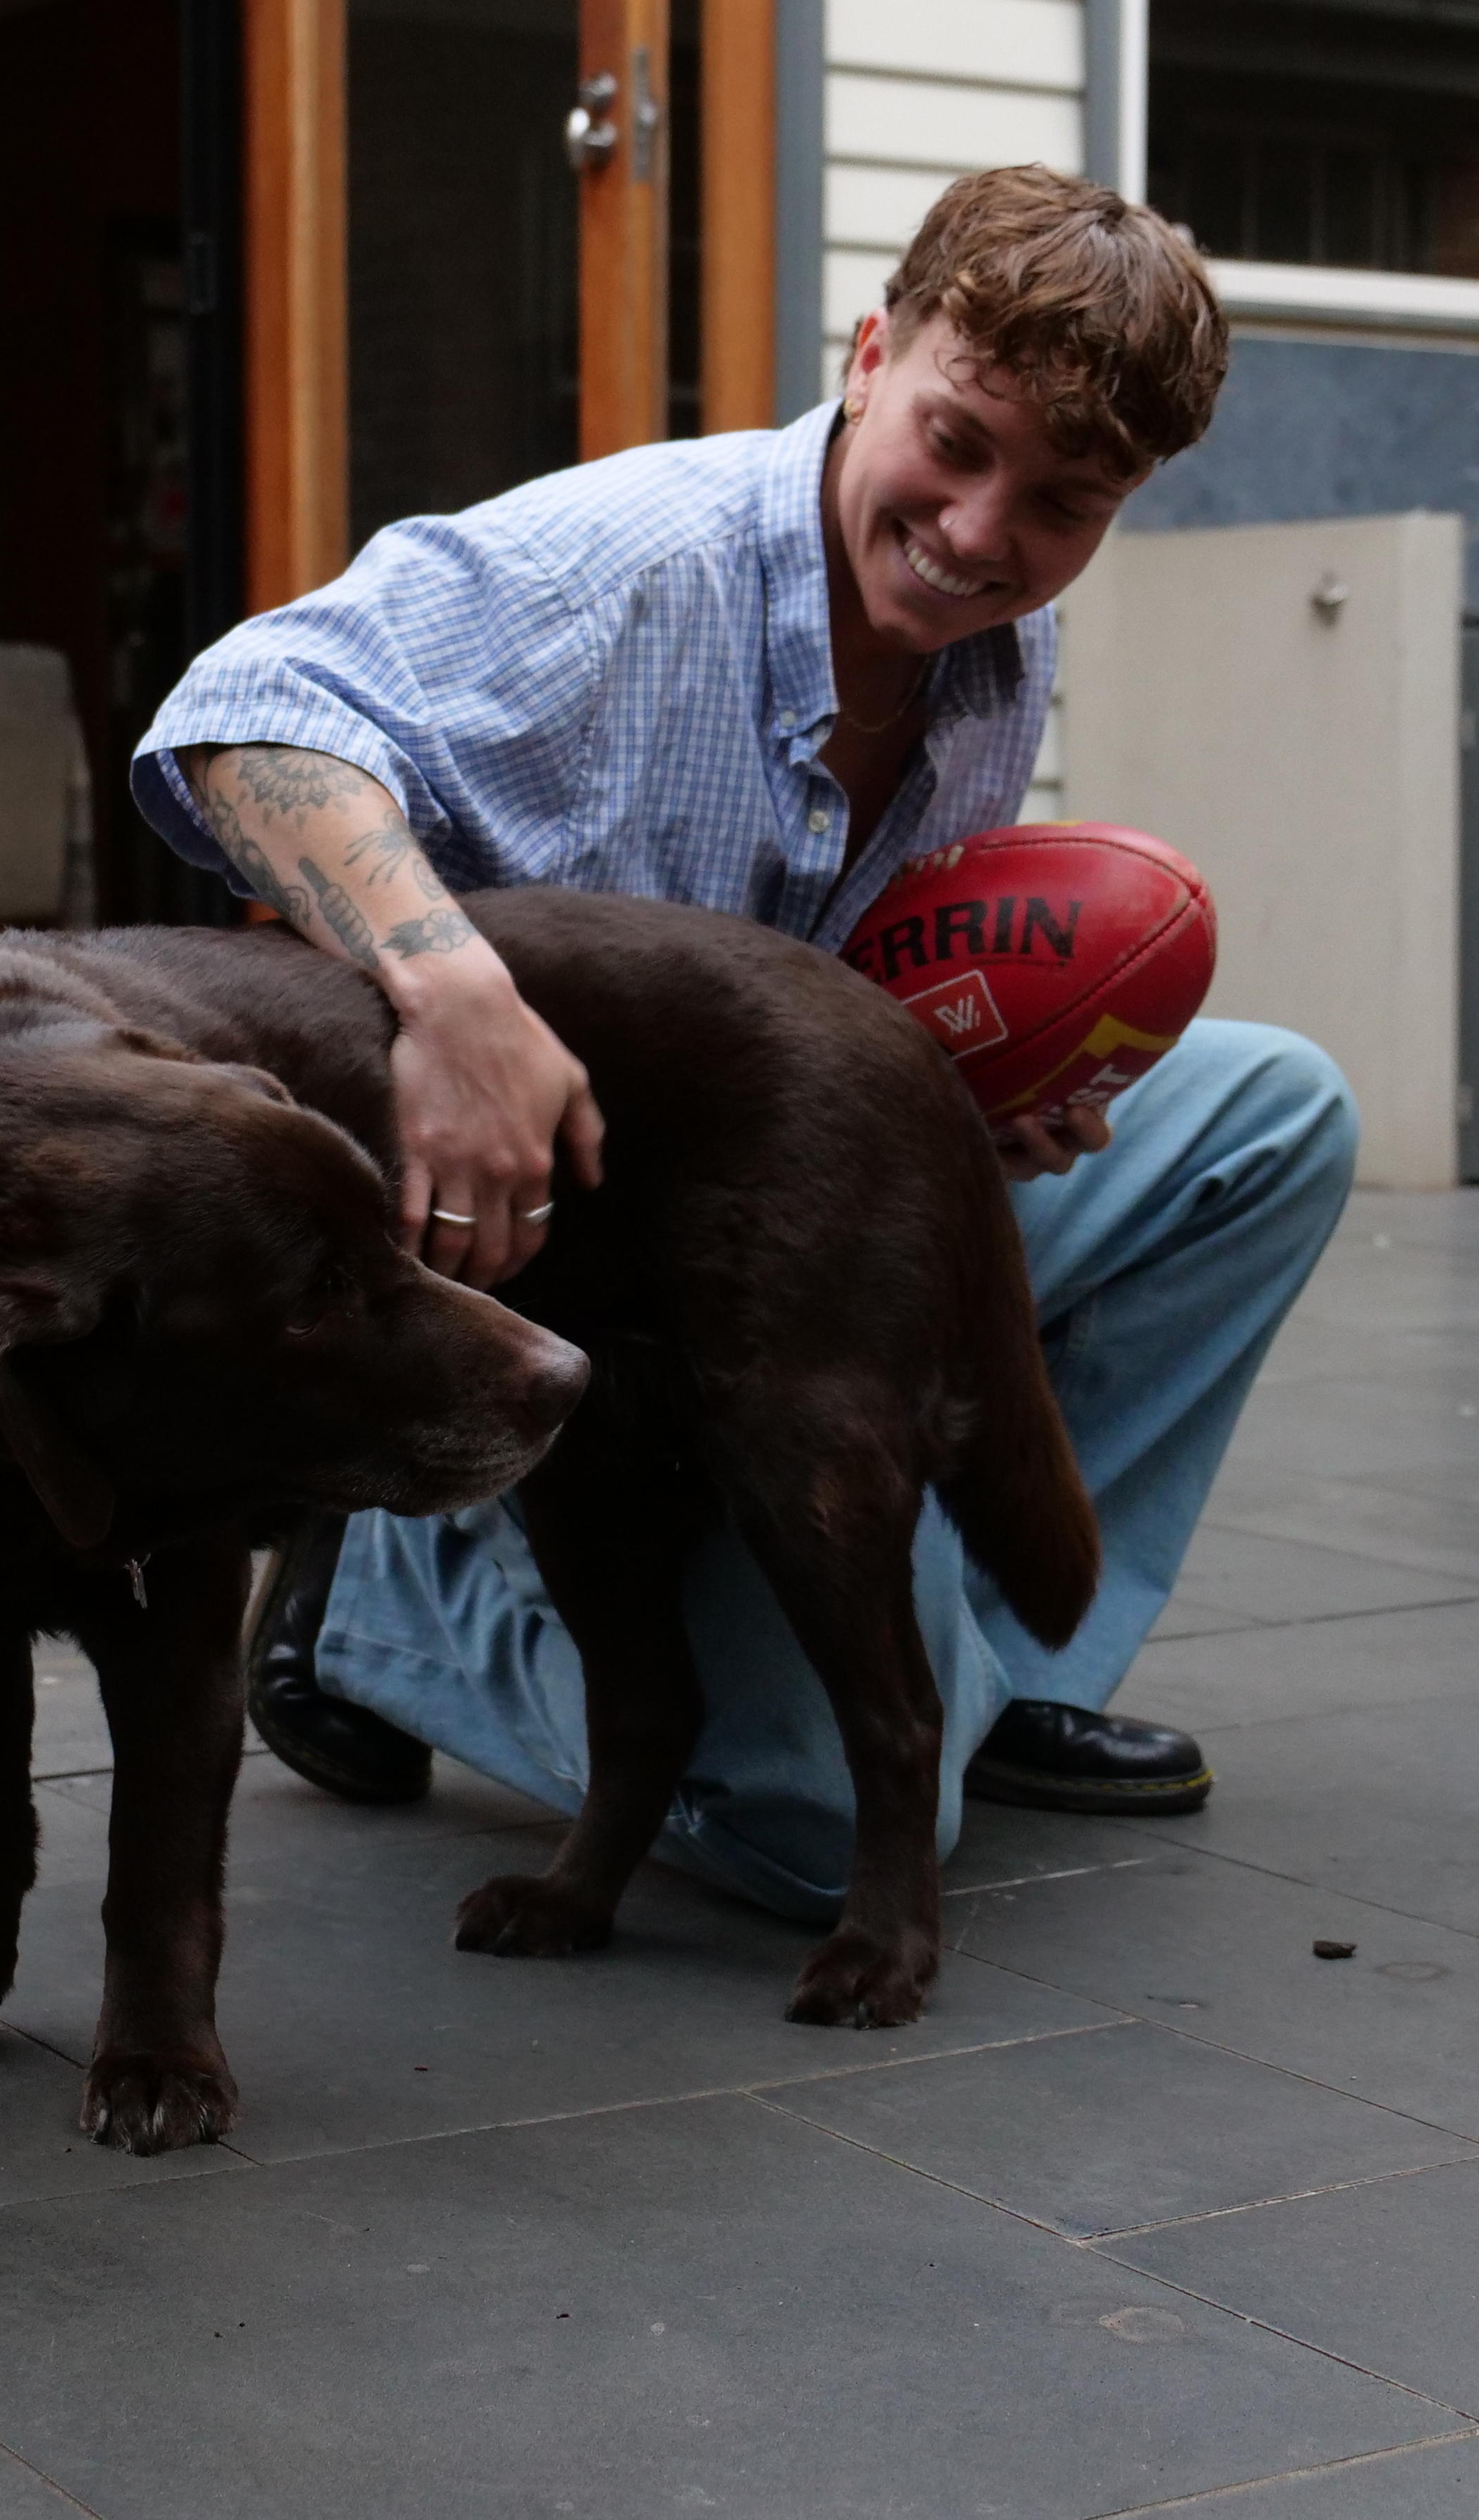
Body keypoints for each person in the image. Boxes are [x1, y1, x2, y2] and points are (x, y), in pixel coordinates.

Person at [130, 167, 1356, 1922]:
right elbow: (234, 724)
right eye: (958, 441)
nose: (982, 531)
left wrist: (983, 1110)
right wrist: (452, 993)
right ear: (870, 357)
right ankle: (400, 1617)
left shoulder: (996, 657)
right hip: (556, 1263)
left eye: (1063, 503)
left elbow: (842, 1007)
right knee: (810, 1833)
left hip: (770, 1227)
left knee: (1272, 1112)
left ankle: (1000, 1677)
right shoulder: (615, 568)